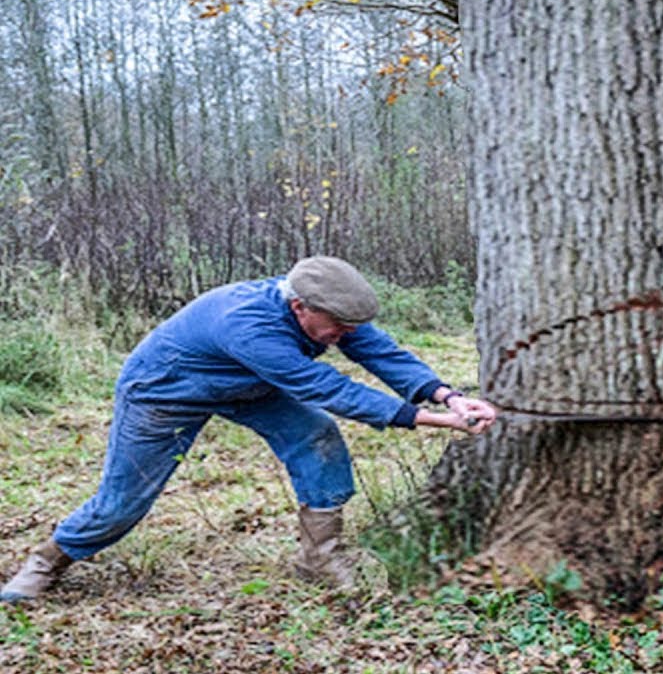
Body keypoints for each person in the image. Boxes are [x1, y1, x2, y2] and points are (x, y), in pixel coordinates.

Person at [1, 256, 497, 602]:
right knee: (123, 501)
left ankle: (319, 558)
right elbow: (326, 386)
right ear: (301, 306)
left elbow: (380, 352)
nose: (345, 336)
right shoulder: (250, 326)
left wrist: (446, 395)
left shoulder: (329, 307)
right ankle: (47, 561)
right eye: (338, 328)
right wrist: (431, 421)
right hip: (165, 391)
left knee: (316, 437)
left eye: (349, 328)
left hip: (247, 387)